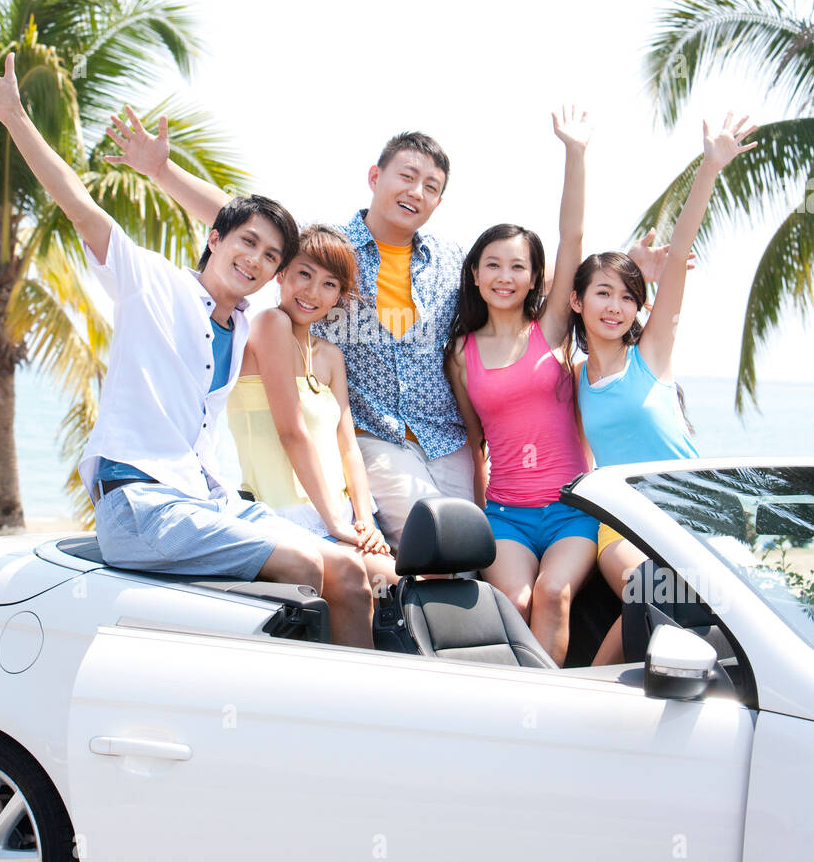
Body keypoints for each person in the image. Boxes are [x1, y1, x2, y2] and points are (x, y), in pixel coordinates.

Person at [0, 49, 375, 648]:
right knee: (304, 568)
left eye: (271, 257)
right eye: (245, 243)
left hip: (206, 499)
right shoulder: (151, 282)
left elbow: (231, 222)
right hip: (141, 504)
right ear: (214, 240)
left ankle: (360, 720)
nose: (254, 260)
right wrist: (15, 116)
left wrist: (163, 170)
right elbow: (78, 202)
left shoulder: (252, 321)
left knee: (352, 574)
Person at [103, 117, 681, 552]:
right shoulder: (329, 250)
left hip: (447, 437)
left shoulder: (457, 260)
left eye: (432, 186)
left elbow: (539, 274)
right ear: (376, 177)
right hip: (375, 436)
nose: (418, 192)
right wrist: (160, 170)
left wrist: (624, 268)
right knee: (435, 545)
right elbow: (248, 224)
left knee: (476, 549)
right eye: (407, 176)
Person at [567, 111, 759, 665]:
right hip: (624, 519)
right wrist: (624, 260)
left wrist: (710, 166)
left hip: (697, 507)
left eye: (628, 297)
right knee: (649, 583)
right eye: (603, 295)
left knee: (686, 596)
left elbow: (678, 253)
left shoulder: (651, 355)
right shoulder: (572, 375)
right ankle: (588, 692)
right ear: (579, 302)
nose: (616, 307)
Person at [444, 107, 599, 665]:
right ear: (476, 275)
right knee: (513, 598)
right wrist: (480, 508)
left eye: (517, 267)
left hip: (573, 508)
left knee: (553, 596)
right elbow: (474, 441)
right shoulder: (461, 353)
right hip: (506, 513)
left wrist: (574, 153)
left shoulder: (552, 329)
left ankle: (545, 713)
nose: (505, 277)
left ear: (535, 277)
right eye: (493, 265)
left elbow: (572, 236)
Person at [230, 221, 399, 594]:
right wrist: (335, 526)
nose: (312, 292)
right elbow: (291, 432)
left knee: (400, 588)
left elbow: (348, 446)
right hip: (285, 514)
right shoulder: (269, 324)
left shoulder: (330, 355)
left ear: (339, 294)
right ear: (281, 274)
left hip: (342, 514)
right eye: (303, 274)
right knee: (365, 588)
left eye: (329, 284)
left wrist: (363, 520)